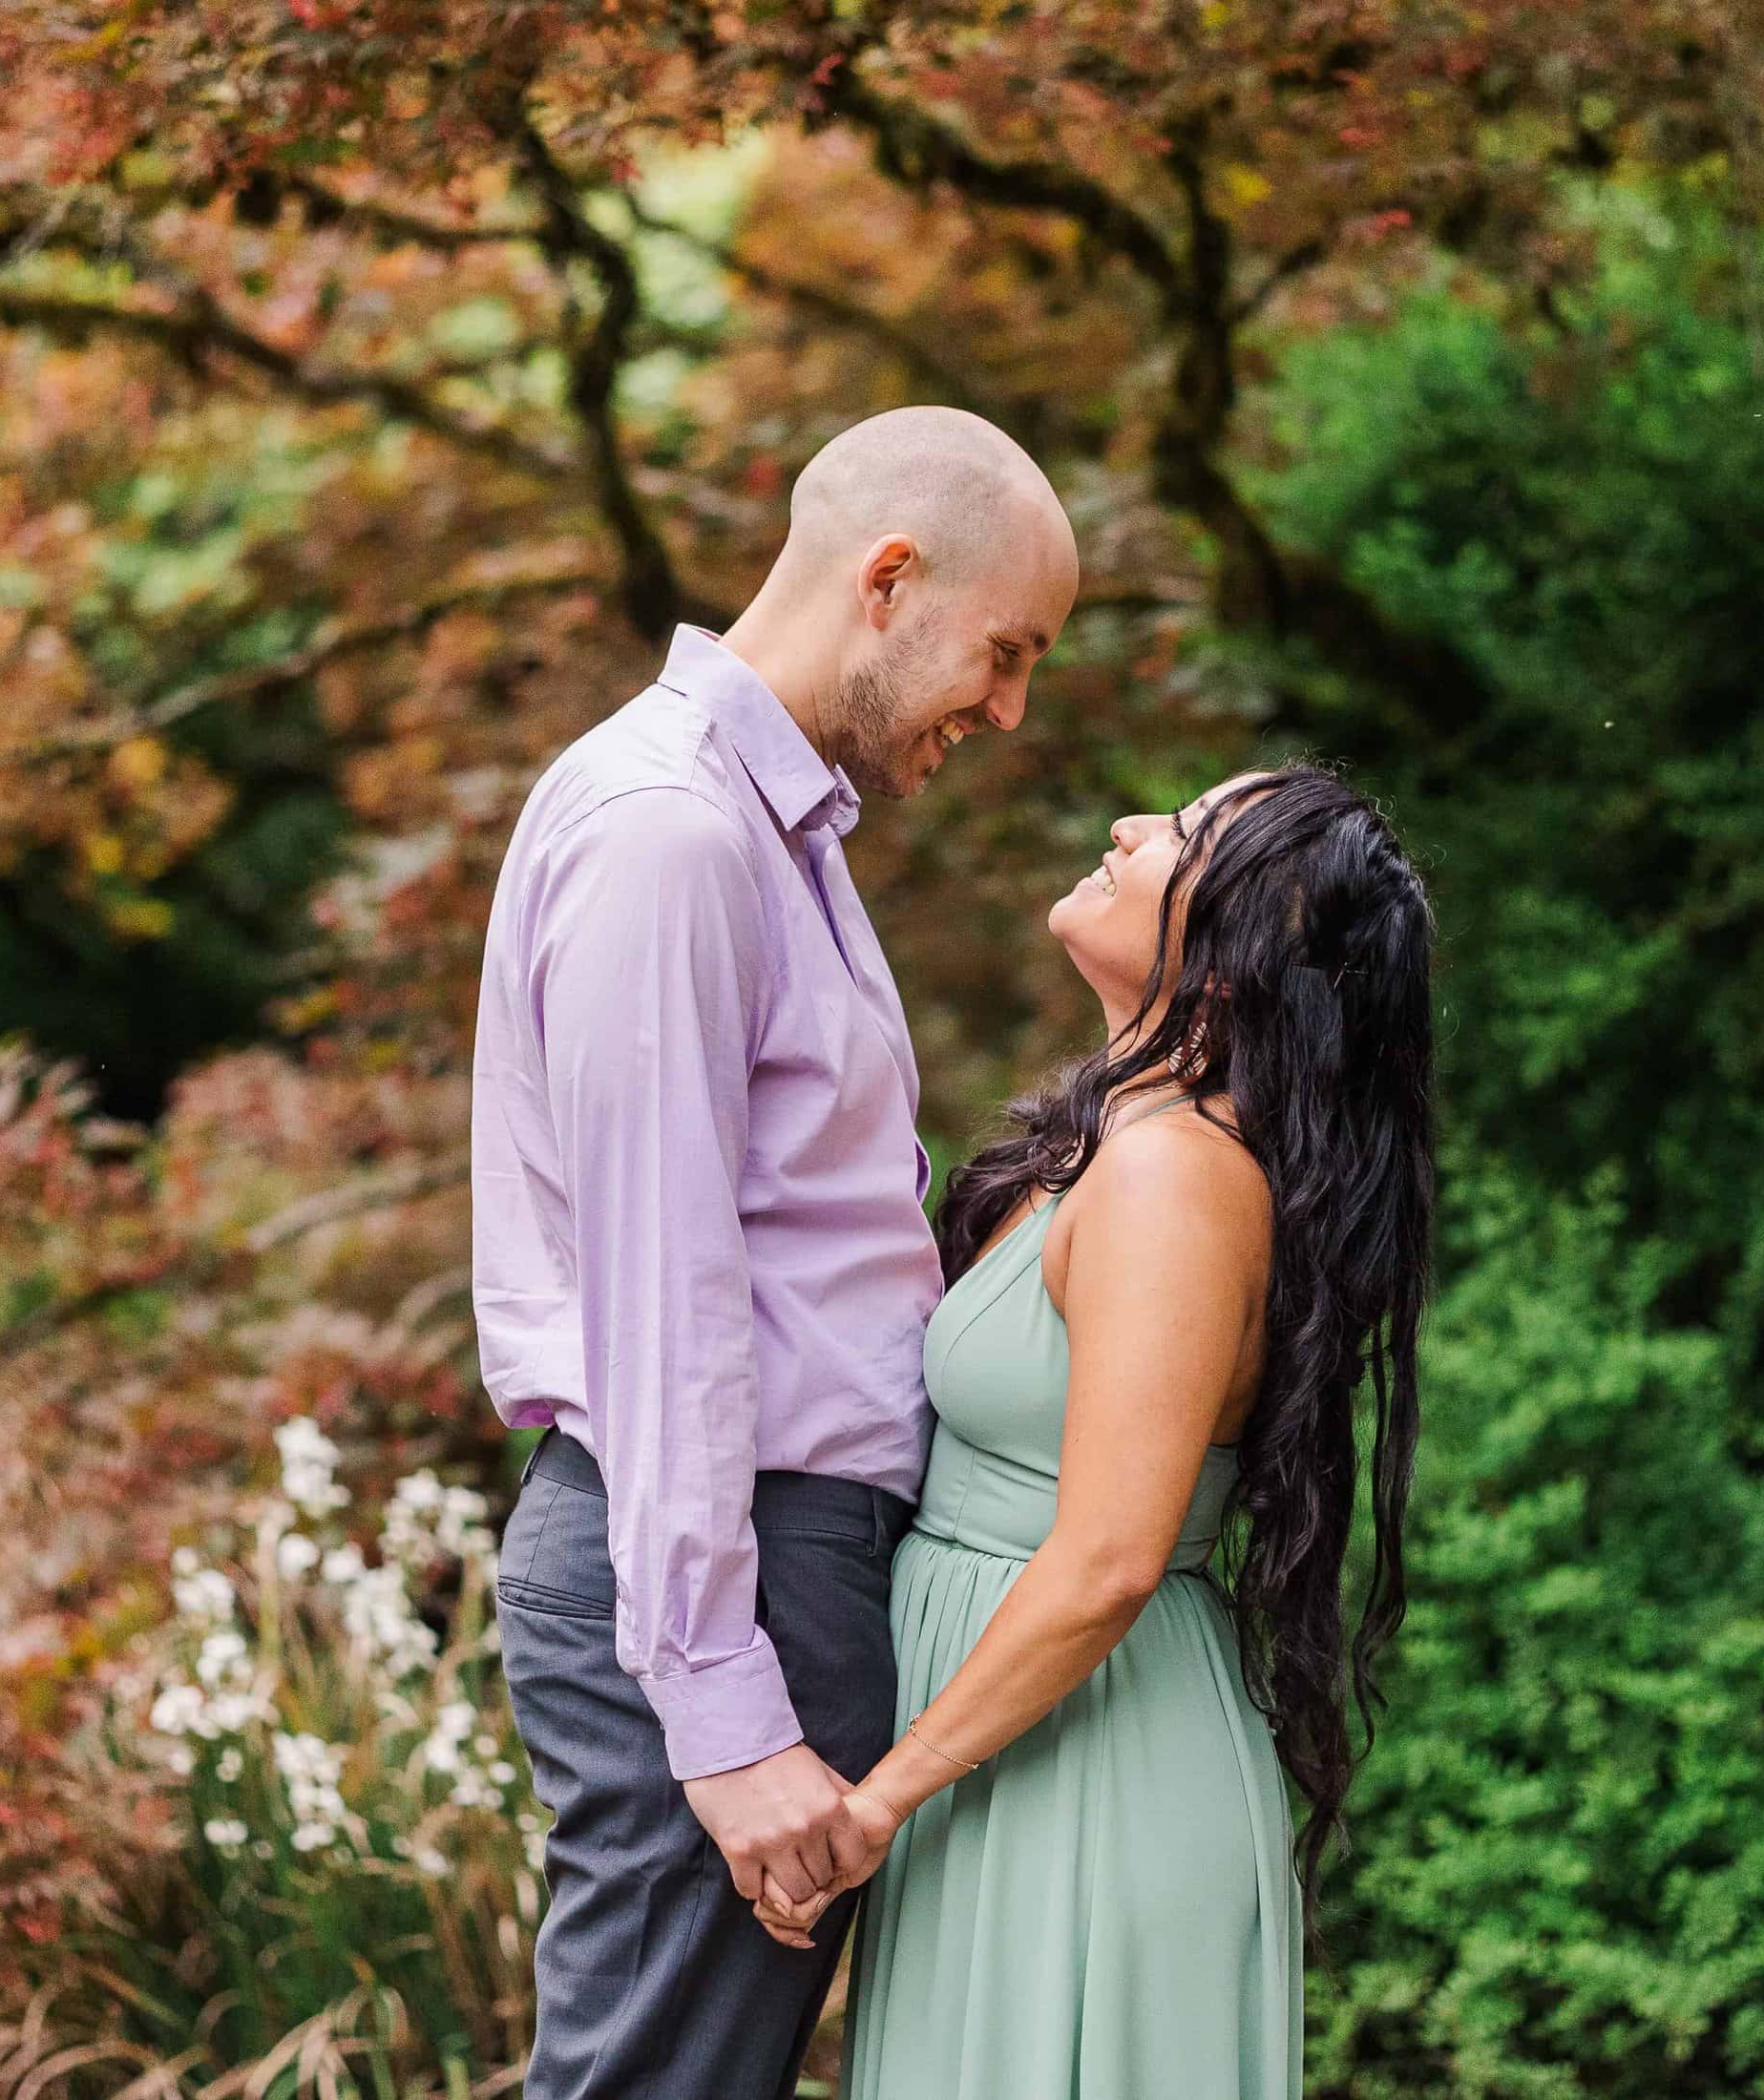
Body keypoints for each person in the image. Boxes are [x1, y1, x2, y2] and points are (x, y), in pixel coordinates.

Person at [468, 404, 1080, 2099]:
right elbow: (665, 1305)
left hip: (758, 1556)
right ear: (888, 580)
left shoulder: (768, 834)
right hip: (722, 1564)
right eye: (1004, 650)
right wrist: (727, 1719)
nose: (1011, 708)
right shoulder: (673, 833)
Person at [757, 763, 1438, 2100]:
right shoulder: (1112, 1145)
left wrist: (883, 1798)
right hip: (1008, 1750)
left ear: (1237, 960)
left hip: (1086, 1766)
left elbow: (1113, 1555)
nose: (1128, 826)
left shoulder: (1176, 1177)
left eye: (1183, 836)